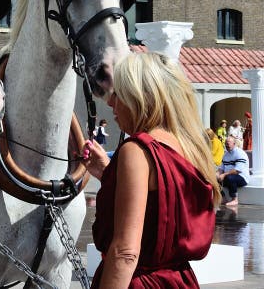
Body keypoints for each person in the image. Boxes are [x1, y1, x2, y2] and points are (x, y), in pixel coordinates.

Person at [81, 52, 219, 288]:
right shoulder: (192, 148)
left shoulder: (137, 150)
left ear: (140, 97)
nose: (111, 102)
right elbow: (164, 206)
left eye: (119, 94)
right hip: (180, 281)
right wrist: (108, 174)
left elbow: (125, 253)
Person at [217, 134, 249, 206]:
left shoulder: (240, 153)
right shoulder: (225, 155)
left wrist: (224, 174)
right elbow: (221, 168)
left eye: (228, 143)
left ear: (234, 144)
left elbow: (237, 170)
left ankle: (234, 199)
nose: (227, 145)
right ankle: (223, 198)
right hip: (228, 177)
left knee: (230, 177)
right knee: (214, 178)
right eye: (226, 143)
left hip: (242, 177)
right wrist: (217, 174)